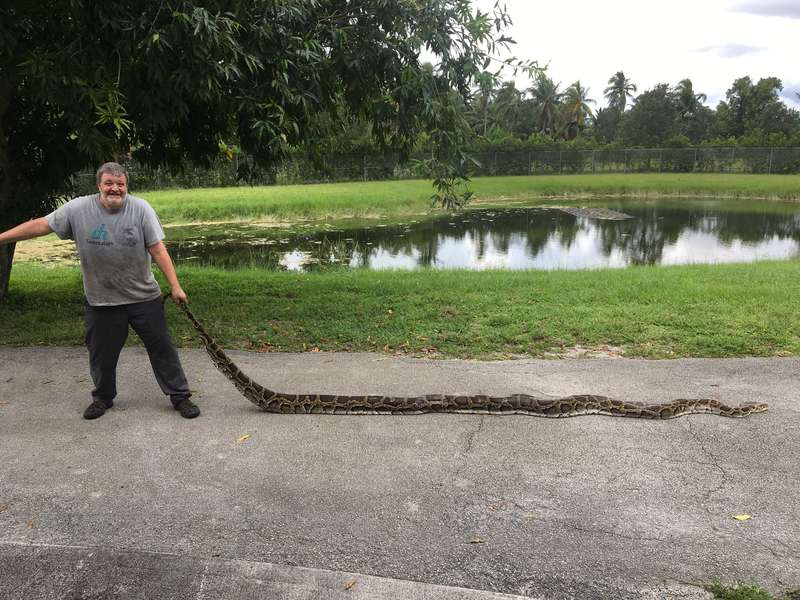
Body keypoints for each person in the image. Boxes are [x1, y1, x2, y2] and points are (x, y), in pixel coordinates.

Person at [0, 162, 200, 420]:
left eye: (120, 184)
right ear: (99, 186)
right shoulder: (78, 209)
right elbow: (41, 225)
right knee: (101, 355)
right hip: (101, 300)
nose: (114, 189)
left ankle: (180, 396)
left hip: (143, 298)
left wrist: (175, 286)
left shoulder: (141, 209)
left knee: (163, 348)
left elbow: (158, 249)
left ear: (126, 186)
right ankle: (103, 398)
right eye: (109, 183)